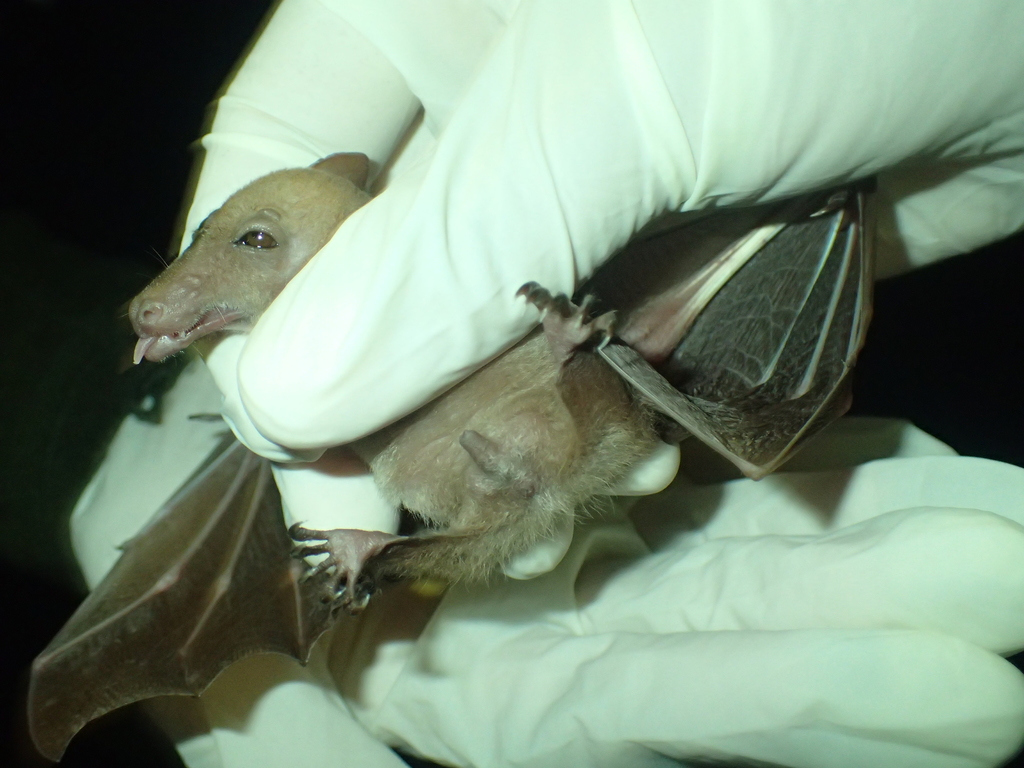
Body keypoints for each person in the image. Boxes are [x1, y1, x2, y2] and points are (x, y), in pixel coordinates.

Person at [71, 1, 1024, 766]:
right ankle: (376, 555)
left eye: (250, 246)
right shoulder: (305, 352)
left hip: (573, 399)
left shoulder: (438, 236)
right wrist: (143, 408)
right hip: (481, 473)